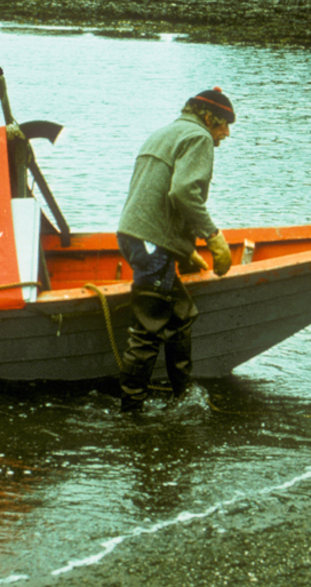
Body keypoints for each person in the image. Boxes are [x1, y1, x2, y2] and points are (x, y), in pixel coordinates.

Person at [115, 88, 236, 412]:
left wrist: (183, 251)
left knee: (181, 314)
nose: (226, 133)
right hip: (152, 244)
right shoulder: (198, 137)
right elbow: (182, 192)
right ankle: (131, 413)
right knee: (149, 327)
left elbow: (153, 200)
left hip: (134, 237)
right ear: (208, 118)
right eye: (225, 124)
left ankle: (183, 397)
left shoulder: (164, 133)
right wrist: (212, 236)